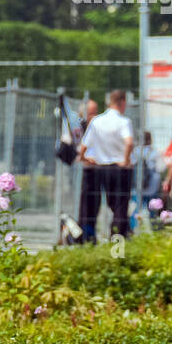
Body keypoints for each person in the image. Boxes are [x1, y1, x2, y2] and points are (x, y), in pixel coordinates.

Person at [77, 90, 134, 241]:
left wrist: (85, 158)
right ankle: (117, 247)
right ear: (122, 103)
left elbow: (83, 147)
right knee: (119, 208)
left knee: (90, 206)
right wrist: (125, 160)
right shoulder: (124, 121)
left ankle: (88, 240)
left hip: (98, 169)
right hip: (119, 168)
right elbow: (129, 142)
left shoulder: (97, 121)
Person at [74, 98, 101, 243]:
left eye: (96, 112)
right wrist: (85, 159)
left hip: (96, 170)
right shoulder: (79, 128)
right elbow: (76, 150)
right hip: (84, 172)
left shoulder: (97, 127)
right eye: (91, 113)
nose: (94, 116)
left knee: (94, 205)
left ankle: (91, 233)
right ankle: (82, 234)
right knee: (84, 206)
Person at [132, 131, 163, 229]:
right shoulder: (155, 152)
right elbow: (161, 168)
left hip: (136, 187)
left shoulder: (134, 152)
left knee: (135, 210)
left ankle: (133, 229)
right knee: (153, 210)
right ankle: (155, 230)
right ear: (150, 140)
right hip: (152, 187)